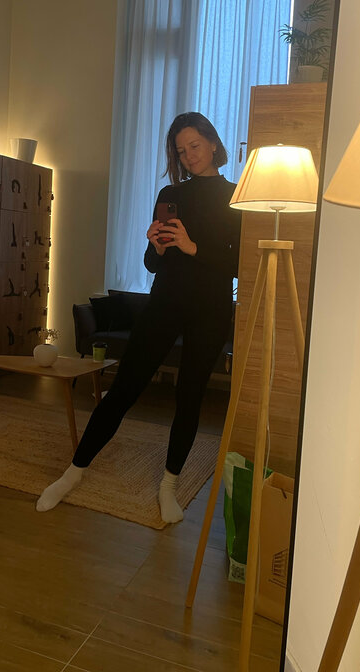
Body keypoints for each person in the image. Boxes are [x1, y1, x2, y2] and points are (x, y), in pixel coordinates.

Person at [36, 112, 241, 522]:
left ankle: (169, 485)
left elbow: (238, 264)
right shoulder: (171, 193)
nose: (189, 156)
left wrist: (192, 247)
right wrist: (159, 247)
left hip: (211, 311)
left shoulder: (236, 196)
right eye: (181, 151)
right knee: (124, 389)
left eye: (194, 146)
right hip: (163, 304)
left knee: (190, 396)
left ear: (213, 143)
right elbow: (151, 264)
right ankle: (73, 472)